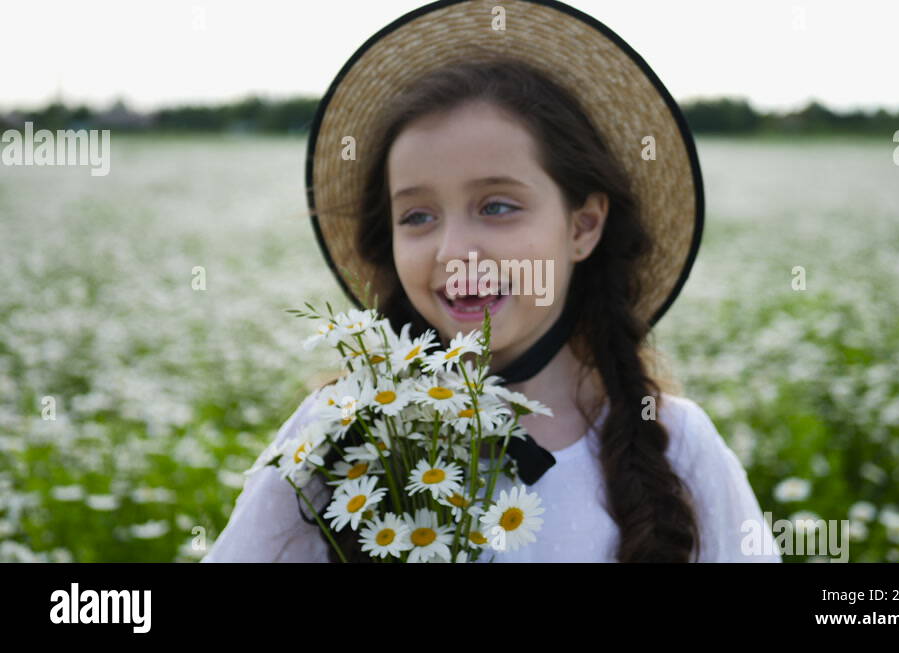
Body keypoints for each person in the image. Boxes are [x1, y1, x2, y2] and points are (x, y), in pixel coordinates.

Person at [202, 0, 781, 563]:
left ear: (583, 226)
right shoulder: (341, 429)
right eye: (418, 216)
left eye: (498, 207)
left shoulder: (678, 444)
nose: (454, 252)